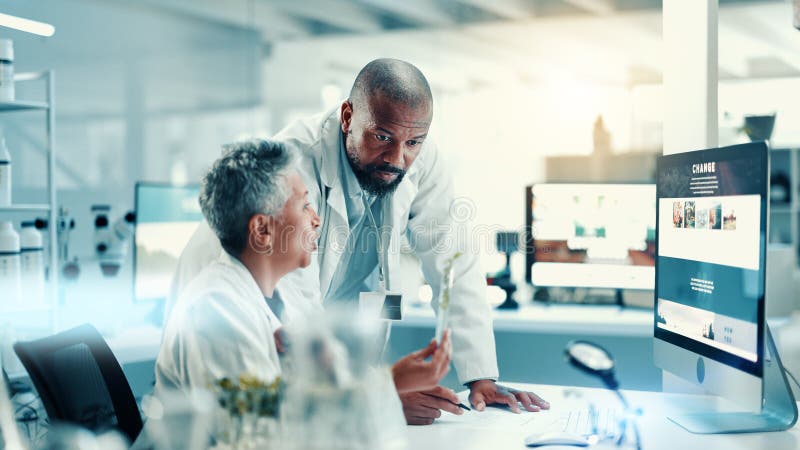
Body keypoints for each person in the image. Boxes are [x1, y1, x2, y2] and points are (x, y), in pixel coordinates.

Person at [170, 59, 549, 424]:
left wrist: (479, 376)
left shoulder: (416, 155)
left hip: (311, 368)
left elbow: (454, 263)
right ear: (348, 117)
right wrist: (378, 397)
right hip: (245, 343)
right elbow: (294, 317)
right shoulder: (292, 170)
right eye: (381, 137)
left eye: (414, 142)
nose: (397, 158)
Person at [155, 140, 453, 400]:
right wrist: (388, 384)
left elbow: (317, 392)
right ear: (262, 229)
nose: (317, 220)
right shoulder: (216, 309)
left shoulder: (284, 298)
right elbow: (255, 431)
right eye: (304, 205)